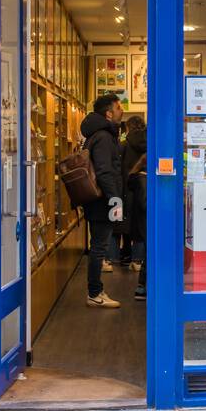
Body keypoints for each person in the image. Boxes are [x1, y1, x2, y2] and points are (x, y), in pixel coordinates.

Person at [81, 92, 125, 309]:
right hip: (102, 201)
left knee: (98, 246)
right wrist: (115, 199)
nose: (121, 111)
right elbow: (105, 171)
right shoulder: (104, 137)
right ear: (108, 113)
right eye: (118, 107)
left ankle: (95, 291)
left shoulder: (96, 135)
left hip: (97, 199)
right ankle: (95, 293)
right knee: (99, 247)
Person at [123, 117, 148, 300]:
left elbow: (127, 175)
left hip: (135, 195)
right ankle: (138, 265)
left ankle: (142, 283)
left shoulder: (124, 145)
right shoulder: (151, 142)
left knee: (141, 233)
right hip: (152, 199)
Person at [119, 116, 146, 273]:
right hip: (144, 189)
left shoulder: (124, 145)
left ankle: (126, 255)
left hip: (127, 187)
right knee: (141, 224)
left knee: (125, 222)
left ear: (128, 128)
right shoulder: (150, 143)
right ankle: (139, 259)